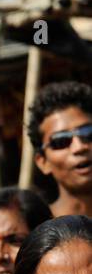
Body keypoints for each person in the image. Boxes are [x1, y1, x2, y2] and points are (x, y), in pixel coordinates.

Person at [27, 80, 92, 218]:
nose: (79, 147)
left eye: (88, 133)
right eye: (61, 141)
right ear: (43, 162)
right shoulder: (35, 232)